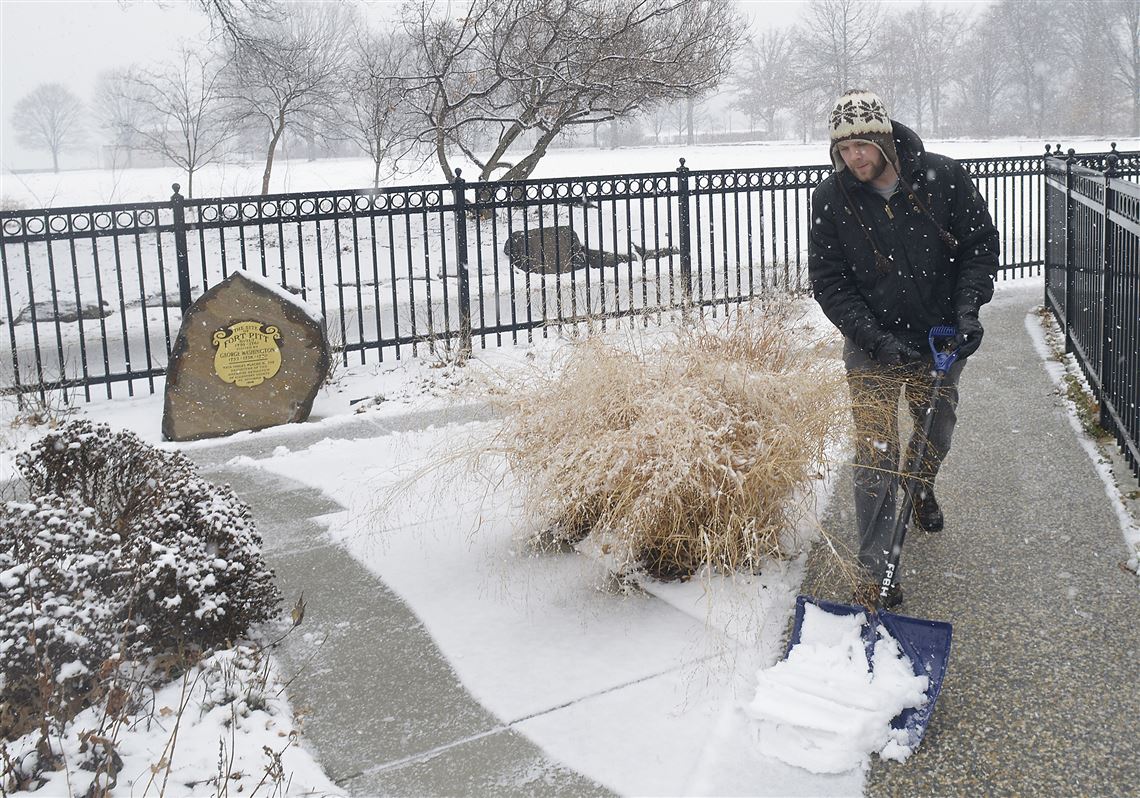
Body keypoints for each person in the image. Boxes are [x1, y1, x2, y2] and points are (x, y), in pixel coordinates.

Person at [807, 89, 1000, 607]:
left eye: (861, 147)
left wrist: (966, 313)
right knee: (874, 455)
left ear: (883, 138)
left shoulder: (942, 178)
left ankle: (921, 486)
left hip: (938, 338)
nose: (854, 159)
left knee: (935, 432)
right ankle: (877, 573)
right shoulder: (831, 198)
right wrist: (874, 337)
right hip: (873, 344)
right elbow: (829, 281)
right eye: (843, 151)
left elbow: (979, 246)